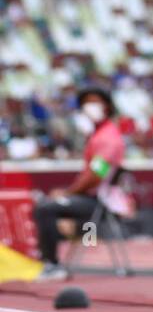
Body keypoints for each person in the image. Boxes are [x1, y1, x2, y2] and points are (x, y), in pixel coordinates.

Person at [33, 86, 125, 280]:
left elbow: (96, 175)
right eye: (86, 103)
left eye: (95, 102)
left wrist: (69, 193)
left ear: (107, 106)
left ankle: (52, 265)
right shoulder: (97, 134)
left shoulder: (108, 137)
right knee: (48, 204)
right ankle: (55, 256)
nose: (90, 107)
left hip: (98, 201)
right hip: (90, 198)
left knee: (45, 208)